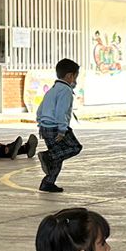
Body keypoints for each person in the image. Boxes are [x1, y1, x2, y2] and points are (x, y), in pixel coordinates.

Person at [36, 59, 82, 194]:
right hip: (56, 128)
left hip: (46, 127)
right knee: (74, 147)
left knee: (59, 156)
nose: (75, 80)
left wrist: (40, 124)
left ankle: (48, 182)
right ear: (70, 76)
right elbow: (61, 112)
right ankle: (48, 156)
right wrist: (62, 130)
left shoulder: (53, 89)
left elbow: (40, 109)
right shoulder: (65, 91)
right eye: (75, 76)